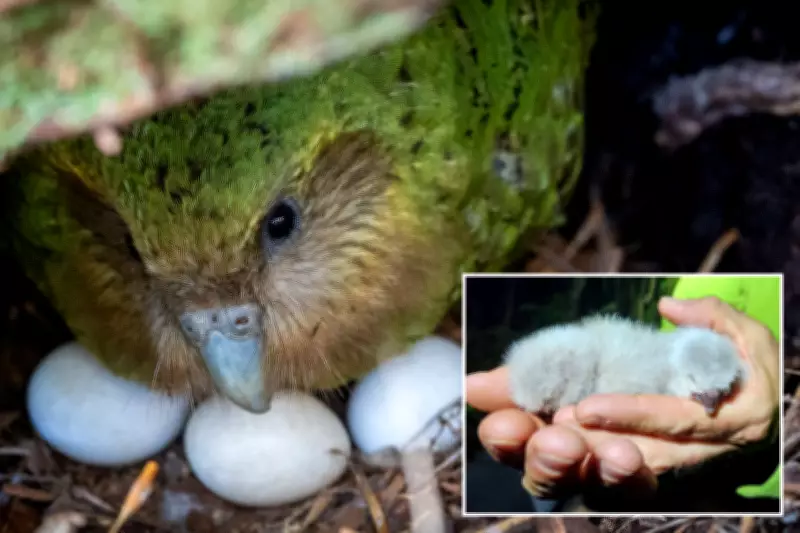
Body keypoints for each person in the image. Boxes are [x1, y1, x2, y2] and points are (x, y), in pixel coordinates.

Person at [465, 295, 781, 499]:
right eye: (703, 387)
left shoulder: (669, 363)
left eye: (719, 391)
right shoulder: (653, 361)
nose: (710, 403)